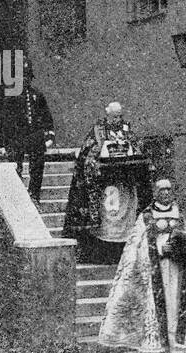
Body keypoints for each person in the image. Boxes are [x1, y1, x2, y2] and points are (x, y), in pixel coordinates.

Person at [97, 178, 186, 353]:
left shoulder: (178, 213)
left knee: (177, 307)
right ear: (155, 193)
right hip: (154, 271)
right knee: (152, 309)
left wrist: (180, 248)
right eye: (162, 190)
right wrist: (158, 249)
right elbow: (136, 244)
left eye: (169, 190)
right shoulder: (146, 216)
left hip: (177, 268)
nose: (166, 193)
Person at [63, 101, 149, 263]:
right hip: (105, 186)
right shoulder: (98, 131)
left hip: (125, 185)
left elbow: (137, 149)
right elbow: (87, 153)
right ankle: (105, 253)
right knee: (108, 217)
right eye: (114, 116)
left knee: (126, 217)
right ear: (107, 115)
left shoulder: (127, 130)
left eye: (120, 116)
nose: (118, 120)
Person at [2, 60, 55, 201]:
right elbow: (7, 120)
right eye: (22, 76)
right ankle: (17, 196)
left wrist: (49, 134)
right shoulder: (11, 96)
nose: (25, 80)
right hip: (18, 136)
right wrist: (6, 142)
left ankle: (34, 195)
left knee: (37, 168)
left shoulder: (37, 95)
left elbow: (46, 116)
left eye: (27, 76)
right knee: (15, 166)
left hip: (35, 135)